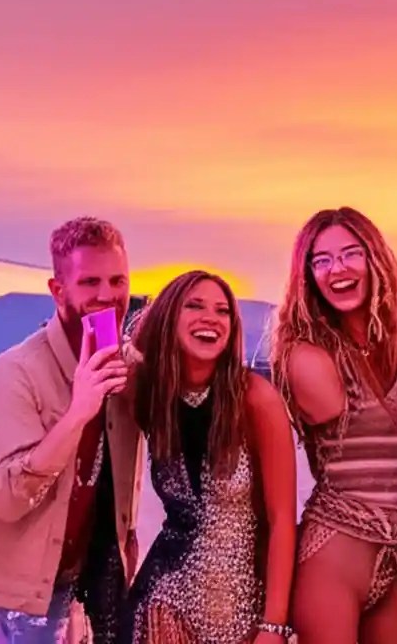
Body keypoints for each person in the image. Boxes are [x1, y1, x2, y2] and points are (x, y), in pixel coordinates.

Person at [0, 217, 143, 643]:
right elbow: (10, 499)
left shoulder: (126, 369)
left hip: (72, 581)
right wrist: (78, 411)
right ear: (58, 290)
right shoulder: (14, 374)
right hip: (7, 588)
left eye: (117, 280)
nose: (106, 295)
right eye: (89, 282)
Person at [269, 207, 397, 644]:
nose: (336, 269)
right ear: (307, 276)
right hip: (334, 553)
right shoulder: (306, 357)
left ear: (375, 258)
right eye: (320, 260)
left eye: (350, 254)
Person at [122, 270, 297, 643]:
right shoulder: (149, 392)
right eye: (195, 305)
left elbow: (282, 519)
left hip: (240, 612)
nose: (210, 318)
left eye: (222, 311)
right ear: (168, 316)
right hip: (162, 608)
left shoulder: (255, 398)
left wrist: (274, 626)